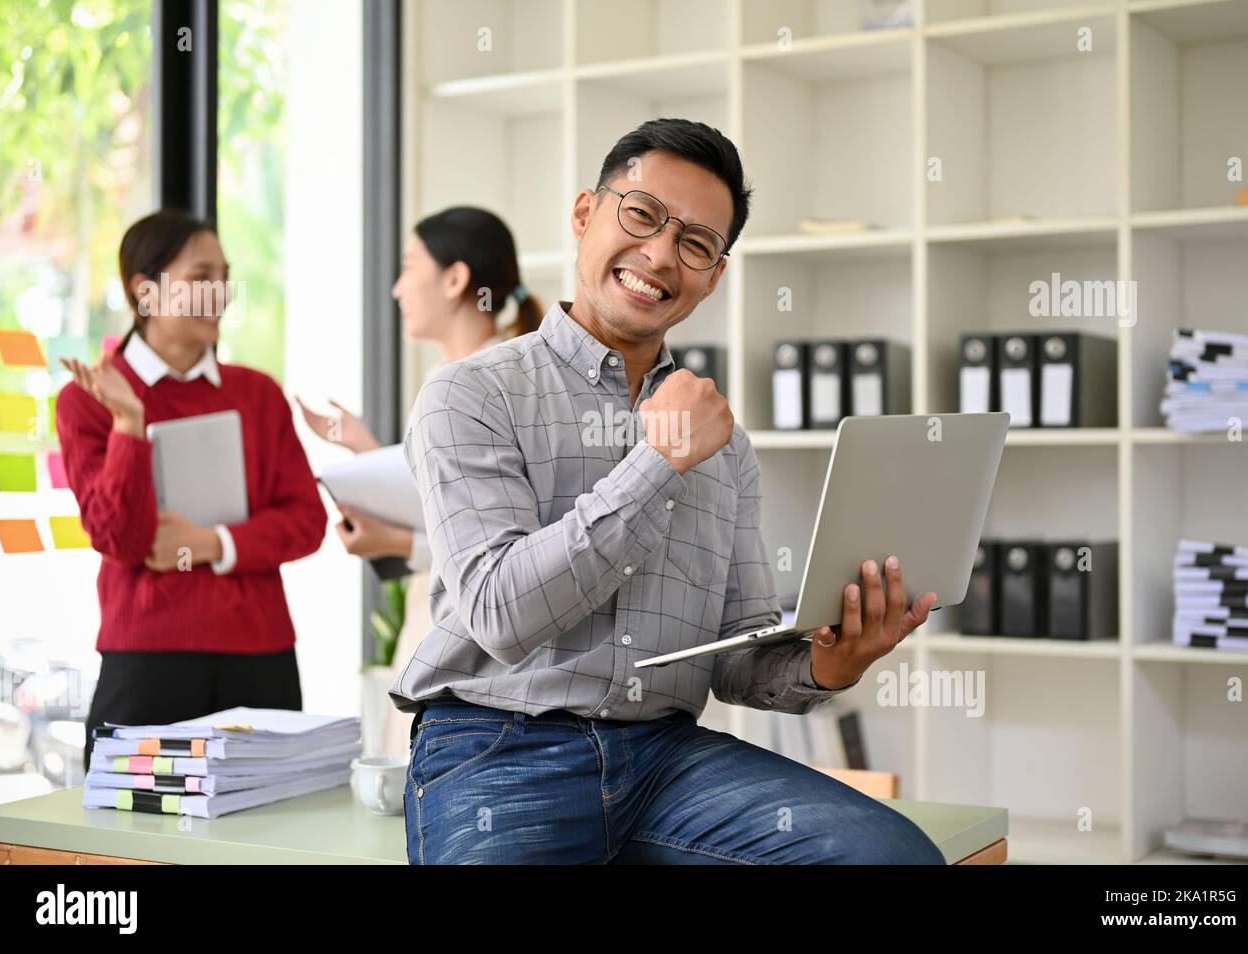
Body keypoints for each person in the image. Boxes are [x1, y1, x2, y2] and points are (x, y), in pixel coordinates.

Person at [393, 118, 946, 864]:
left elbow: (737, 657)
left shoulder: (728, 446)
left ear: (713, 275)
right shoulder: (471, 394)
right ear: (587, 214)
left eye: (696, 244)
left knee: (888, 855)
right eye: (643, 215)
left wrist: (828, 665)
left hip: (665, 758)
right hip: (499, 745)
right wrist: (660, 462)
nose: (660, 255)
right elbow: (499, 614)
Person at [57, 209, 327, 772]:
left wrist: (212, 543)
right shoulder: (88, 401)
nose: (221, 293)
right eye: (202, 276)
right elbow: (119, 539)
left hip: (261, 655)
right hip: (147, 658)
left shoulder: (257, 394)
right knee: (128, 840)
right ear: (145, 290)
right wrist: (130, 426)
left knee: (261, 840)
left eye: (224, 276)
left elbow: (306, 521)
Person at [294, 207, 542, 757]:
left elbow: (506, 547)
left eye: (409, 267)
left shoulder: (491, 380)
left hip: (475, 644)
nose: (397, 287)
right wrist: (366, 450)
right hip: (438, 627)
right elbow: (449, 504)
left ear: (455, 280)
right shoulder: (451, 378)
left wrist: (395, 544)